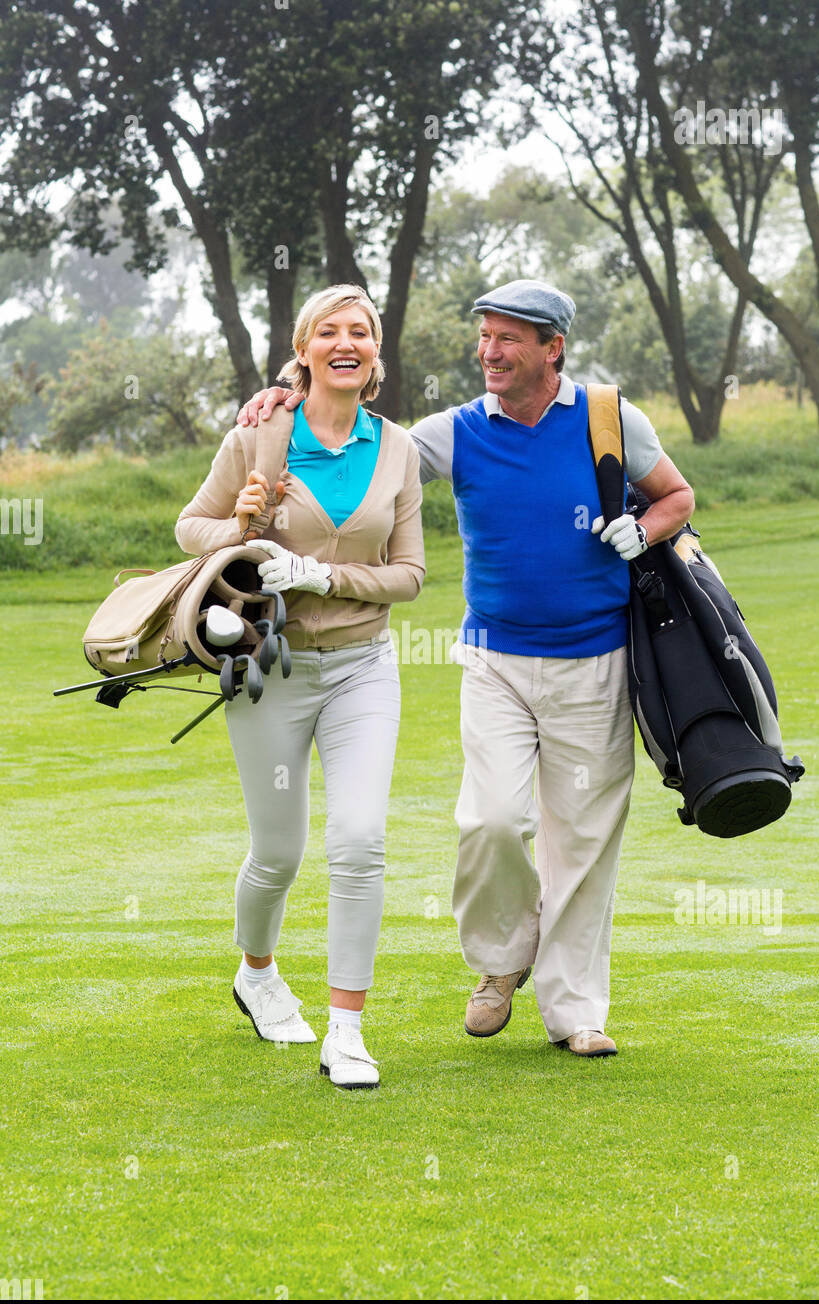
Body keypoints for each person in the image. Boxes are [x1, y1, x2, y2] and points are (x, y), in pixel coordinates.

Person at [237, 278, 694, 1059]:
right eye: (483, 336)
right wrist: (281, 393)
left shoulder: (609, 418)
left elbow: (676, 496)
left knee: (582, 843)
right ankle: (498, 964)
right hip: (496, 662)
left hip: (599, 663)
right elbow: (362, 439)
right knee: (491, 822)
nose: (489, 352)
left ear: (552, 347)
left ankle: (575, 1010)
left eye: (507, 338)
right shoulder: (450, 432)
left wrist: (643, 529)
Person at [176, 284, 425, 1089]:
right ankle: (256, 973)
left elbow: (411, 576)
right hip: (266, 671)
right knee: (279, 853)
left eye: (362, 332)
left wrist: (320, 572)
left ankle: (347, 1032)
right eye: (331, 332)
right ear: (305, 348)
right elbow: (192, 529)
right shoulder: (260, 433)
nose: (347, 343)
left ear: (375, 355)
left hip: (361, 669)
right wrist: (245, 525)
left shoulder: (399, 449)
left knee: (359, 841)